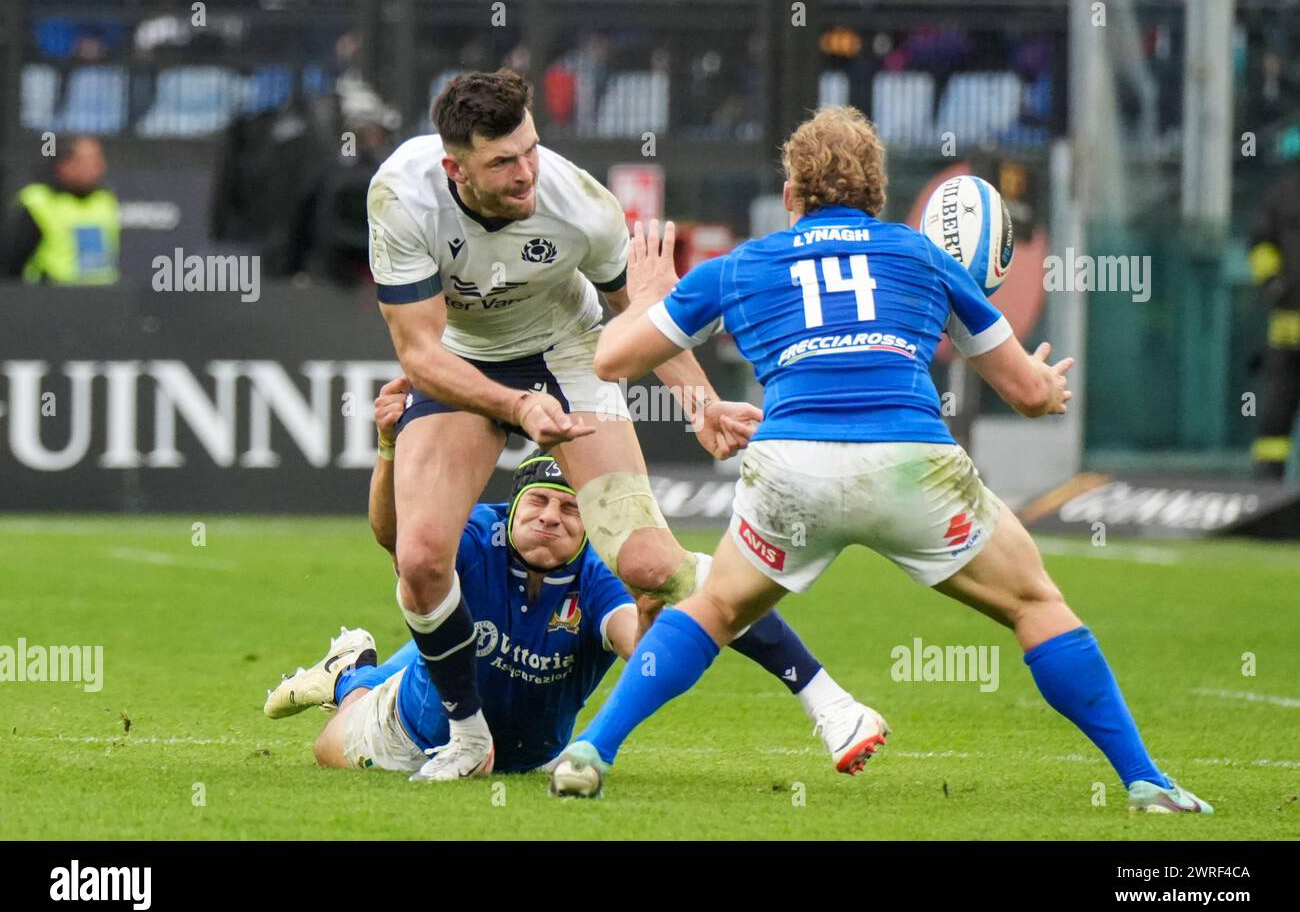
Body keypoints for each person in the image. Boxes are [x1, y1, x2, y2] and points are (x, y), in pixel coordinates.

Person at [549, 106, 1212, 815]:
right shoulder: (923, 256)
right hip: (910, 466)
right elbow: (1024, 391)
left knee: (712, 608)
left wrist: (645, 298)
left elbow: (613, 359)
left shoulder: (742, 265)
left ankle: (592, 749)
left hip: (793, 468)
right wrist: (1047, 387)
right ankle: (1146, 782)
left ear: (791, 195)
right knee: (1035, 604)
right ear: (880, 193)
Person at [366, 68, 860, 780]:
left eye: (531, 149)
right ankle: (469, 738)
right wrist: (511, 406)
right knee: (418, 559)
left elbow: (645, 315)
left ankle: (826, 698)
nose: (526, 172)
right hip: (464, 361)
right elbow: (417, 350)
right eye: (503, 161)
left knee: (651, 569)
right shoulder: (400, 195)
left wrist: (702, 404)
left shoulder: (578, 205)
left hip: (566, 356)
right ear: (455, 167)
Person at [262, 377, 886, 777]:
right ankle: (350, 676)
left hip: (529, 759)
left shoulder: (599, 576)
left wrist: (646, 619)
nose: (552, 519)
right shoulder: (477, 532)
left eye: (571, 510)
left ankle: (357, 666)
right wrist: (390, 449)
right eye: (538, 503)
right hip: (409, 733)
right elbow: (393, 538)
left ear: (590, 526)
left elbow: (643, 652)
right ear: (514, 505)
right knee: (330, 748)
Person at [2, 136, 119, 284]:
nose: (99, 167)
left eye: (98, 160)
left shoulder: (104, 199)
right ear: (64, 165)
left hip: (103, 299)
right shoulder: (38, 201)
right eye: (88, 161)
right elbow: (13, 264)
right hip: (51, 299)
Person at [1247, 164, 1300, 480]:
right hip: (1286, 338)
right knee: (1274, 420)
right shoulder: (1285, 194)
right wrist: (1272, 283)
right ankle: (1266, 493)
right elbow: (1259, 243)